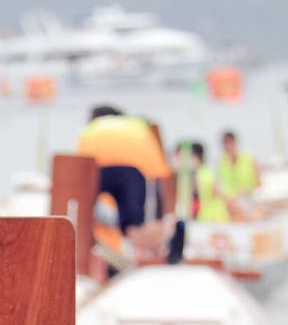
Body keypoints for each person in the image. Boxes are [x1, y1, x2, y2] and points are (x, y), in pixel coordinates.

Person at [77, 106, 183, 262]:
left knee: (86, 218)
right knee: (134, 228)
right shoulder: (139, 129)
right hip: (133, 169)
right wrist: (169, 217)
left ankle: (83, 254)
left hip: (96, 164)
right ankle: (141, 254)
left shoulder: (92, 128)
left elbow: (76, 172)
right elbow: (163, 177)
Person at [192, 142, 230, 222]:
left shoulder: (205, 174)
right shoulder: (202, 173)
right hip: (208, 219)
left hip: (214, 219)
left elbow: (221, 194)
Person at [217, 131, 260, 202]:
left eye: (229, 142)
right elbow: (220, 185)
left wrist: (243, 192)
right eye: (225, 143)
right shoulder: (221, 162)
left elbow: (259, 184)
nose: (227, 146)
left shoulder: (249, 158)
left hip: (249, 198)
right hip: (230, 201)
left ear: (235, 142)